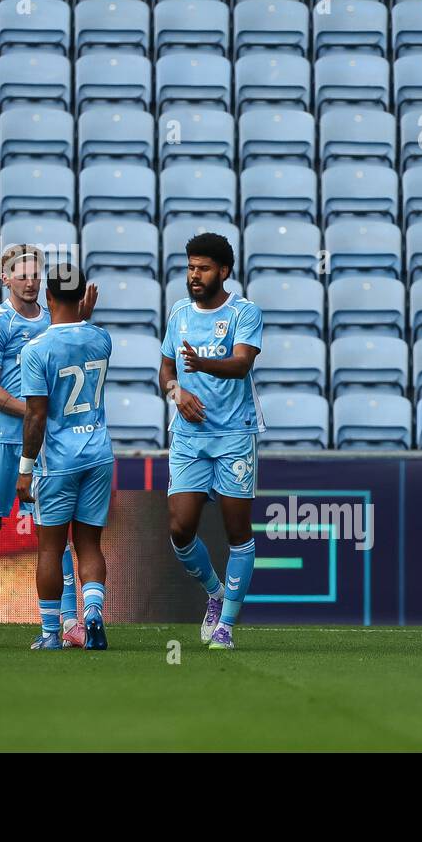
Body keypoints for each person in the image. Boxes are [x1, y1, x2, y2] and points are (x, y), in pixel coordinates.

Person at [0, 244, 86, 649]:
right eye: (23, 274)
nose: (31, 281)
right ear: (6, 278)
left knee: (51, 532)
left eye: (36, 274)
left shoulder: (53, 321)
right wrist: (34, 411)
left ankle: (69, 621)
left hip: (40, 442)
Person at [159, 233, 264, 651]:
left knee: (237, 531)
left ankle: (227, 626)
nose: (194, 275)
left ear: (223, 271)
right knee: (180, 528)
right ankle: (216, 595)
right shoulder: (179, 313)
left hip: (234, 434)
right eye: (190, 267)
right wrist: (175, 393)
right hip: (189, 436)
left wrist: (201, 364)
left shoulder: (244, 312)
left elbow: (241, 364)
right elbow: (166, 367)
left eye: (202, 268)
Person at [16, 265, 113, 650]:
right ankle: (92, 614)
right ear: (82, 298)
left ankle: (51, 635)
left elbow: (36, 415)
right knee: (89, 545)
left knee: (50, 548)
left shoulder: (35, 350)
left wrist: (25, 468)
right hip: (99, 453)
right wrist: (83, 316)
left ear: (48, 299)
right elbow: (80, 335)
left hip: (59, 459)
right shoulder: (102, 339)